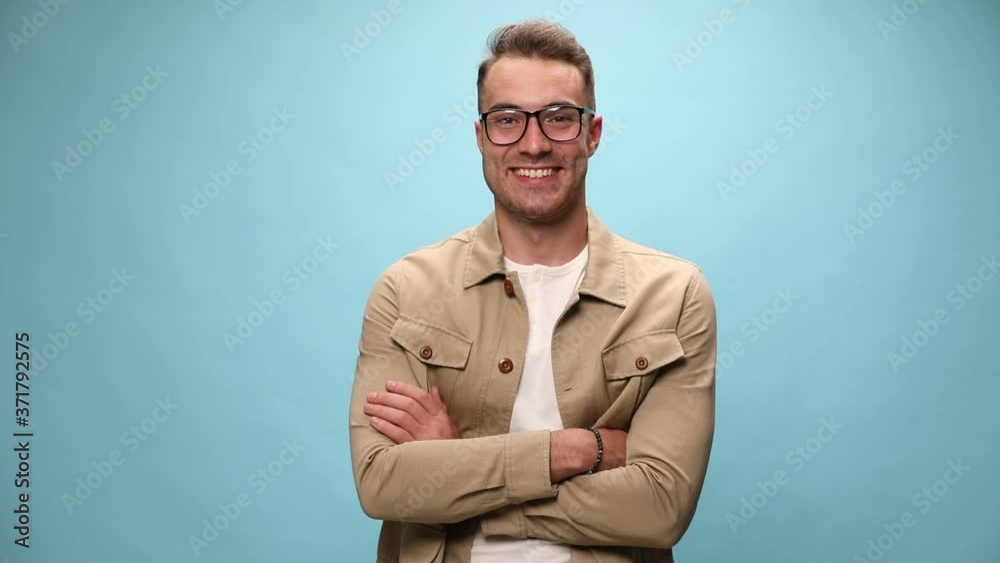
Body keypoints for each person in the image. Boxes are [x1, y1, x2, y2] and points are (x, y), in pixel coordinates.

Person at [348, 18, 717, 563]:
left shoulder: (674, 294)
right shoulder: (406, 290)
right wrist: (576, 451)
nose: (535, 144)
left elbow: (659, 508)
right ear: (481, 137)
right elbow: (382, 483)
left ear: (593, 134)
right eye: (507, 120)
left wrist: (457, 468)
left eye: (560, 118)